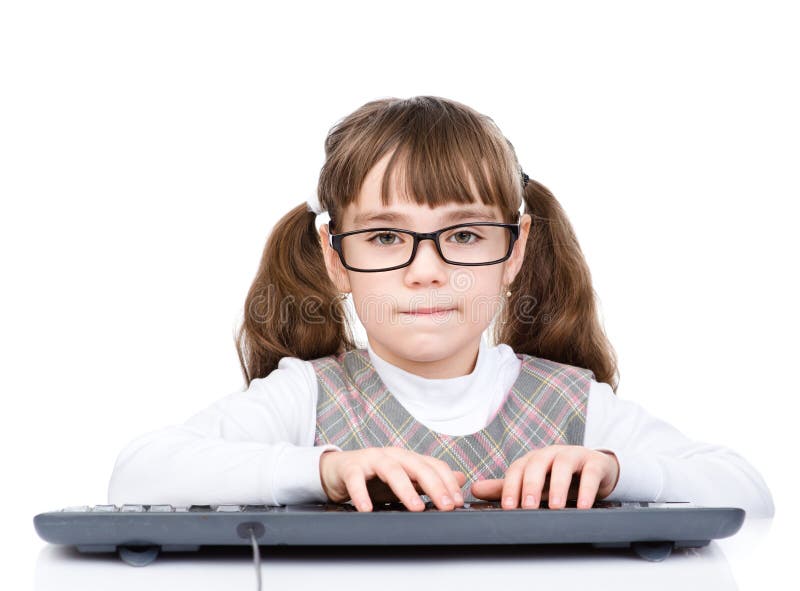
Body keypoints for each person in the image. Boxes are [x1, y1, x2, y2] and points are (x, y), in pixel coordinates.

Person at [107, 96, 775, 518]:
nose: (427, 272)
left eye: (462, 236)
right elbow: (137, 472)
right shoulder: (307, 399)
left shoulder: (572, 405)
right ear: (336, 256)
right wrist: (326, 468)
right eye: (386, 237)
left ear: (514, 251)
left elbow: (747, 489)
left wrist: (616, 469)